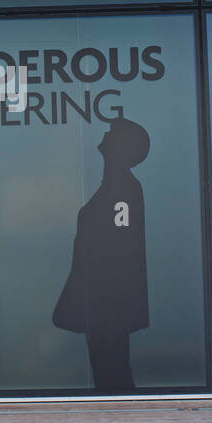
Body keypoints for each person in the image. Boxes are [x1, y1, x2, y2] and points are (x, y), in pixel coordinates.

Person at [53, 117, 150, 392]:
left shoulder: (124, 189)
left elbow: (119, 249)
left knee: (111, 368)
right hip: (102, 299)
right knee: (108, 368)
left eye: (112, 133)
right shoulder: (115, 187)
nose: (105, 135)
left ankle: (122, 418)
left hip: (108, 300)